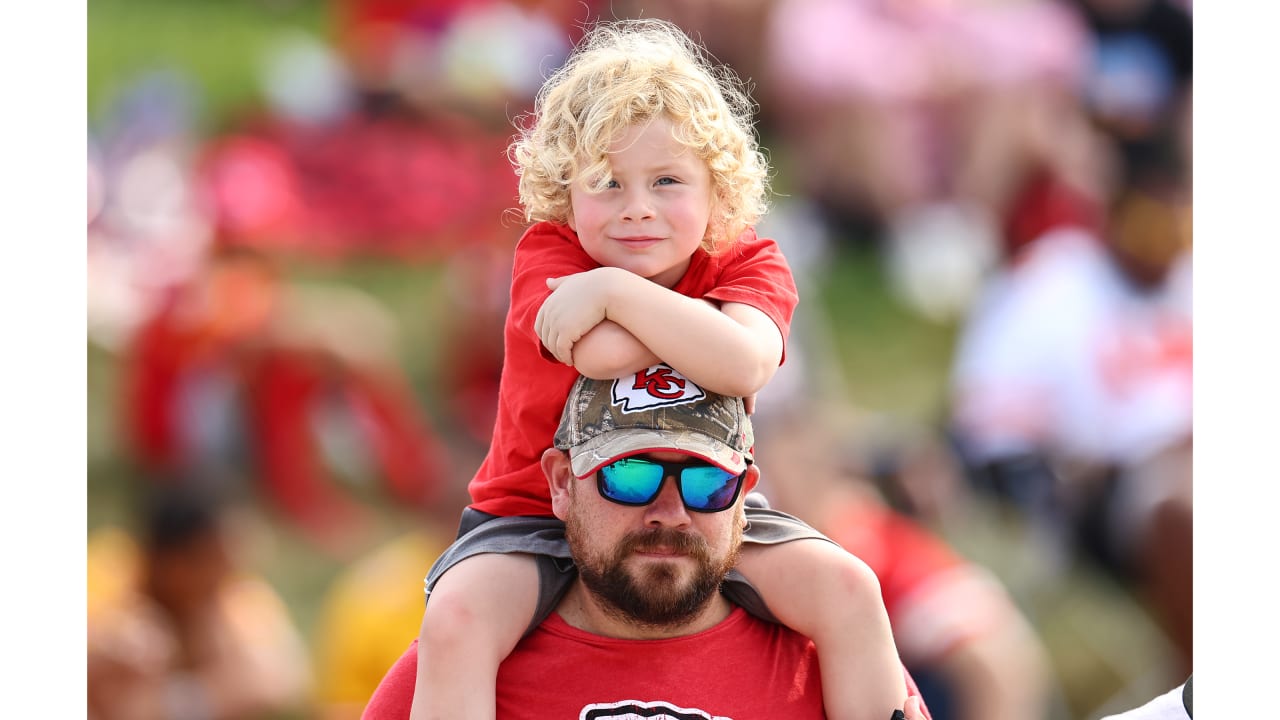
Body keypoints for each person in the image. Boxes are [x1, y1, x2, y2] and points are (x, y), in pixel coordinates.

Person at [414, 18, 906, 720]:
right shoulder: (549, 258)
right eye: (607, 183)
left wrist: (613, 293)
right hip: (532, 512)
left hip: (704, 502)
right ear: (565, 192)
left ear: (718, 191)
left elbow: (743, 362)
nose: (637, 209)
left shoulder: (750, 262)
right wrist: (698, 322)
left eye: (668, 181)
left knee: (849, 586)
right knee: (459, 615)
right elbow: (602, 355)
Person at [367, 372, 932, 718]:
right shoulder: (462, 666)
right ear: (562, 483)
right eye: (630, 478)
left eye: (705, 482)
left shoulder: (832, 658)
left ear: (745, 494)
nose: (669, 514)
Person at [87, 482, 313, 720]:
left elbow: (282, 679)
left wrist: (180, 700)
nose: (224, 573)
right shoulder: (107, 576)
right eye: (211, 561)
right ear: (171, 560)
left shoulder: (235, 595)